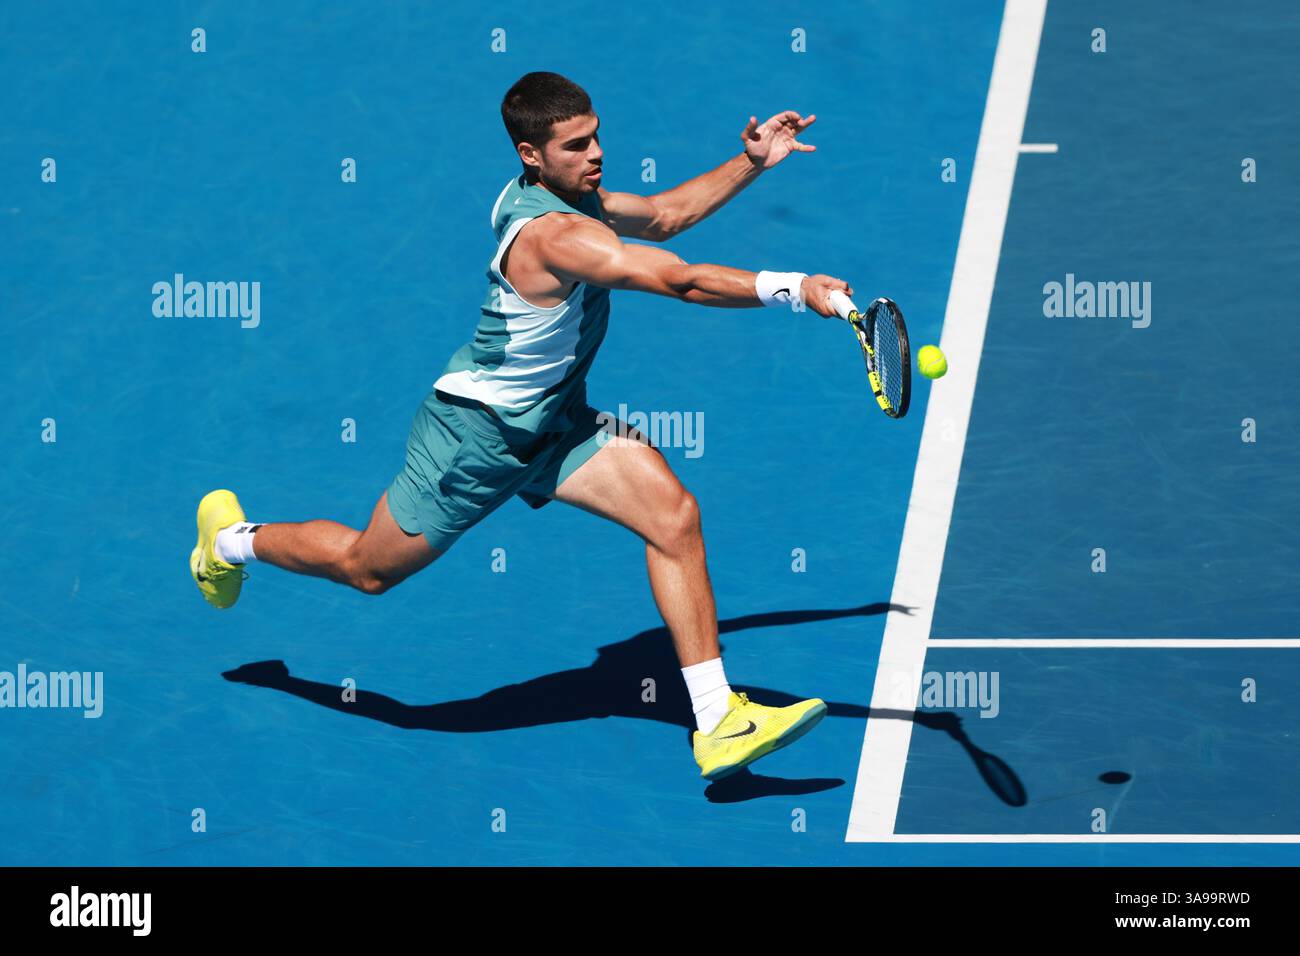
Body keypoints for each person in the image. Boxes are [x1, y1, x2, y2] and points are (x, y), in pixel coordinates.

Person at [191, 71, 854, 781]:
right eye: (575, 145)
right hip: (474, 442)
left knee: (673, 516)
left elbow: (664, 215)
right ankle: (230, 542)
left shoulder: (576, 197)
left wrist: (749, 162)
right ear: (530, 154)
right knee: (368, 570)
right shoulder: (554, 234)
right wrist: (792, 287)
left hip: (557, 422)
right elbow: (675, 277)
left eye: (596, 135)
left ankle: (719, 720)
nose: (595, 153)